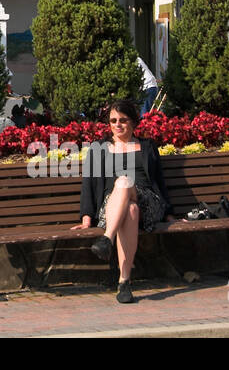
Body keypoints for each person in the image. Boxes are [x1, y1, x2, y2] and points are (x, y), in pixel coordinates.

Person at [71, 99, 174, 303]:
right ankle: (124, 282)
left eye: (123, 120)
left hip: (148, 201)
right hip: (112, 207)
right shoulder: (99, 148)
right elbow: (88, 184)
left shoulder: (147, 146)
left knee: (125, 181)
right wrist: (86, 218)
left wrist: (170, 214)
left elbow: (160, 182)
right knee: (131, 210)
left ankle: (107, 239)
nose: (117, 125)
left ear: (134, 122)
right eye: (113, 120)